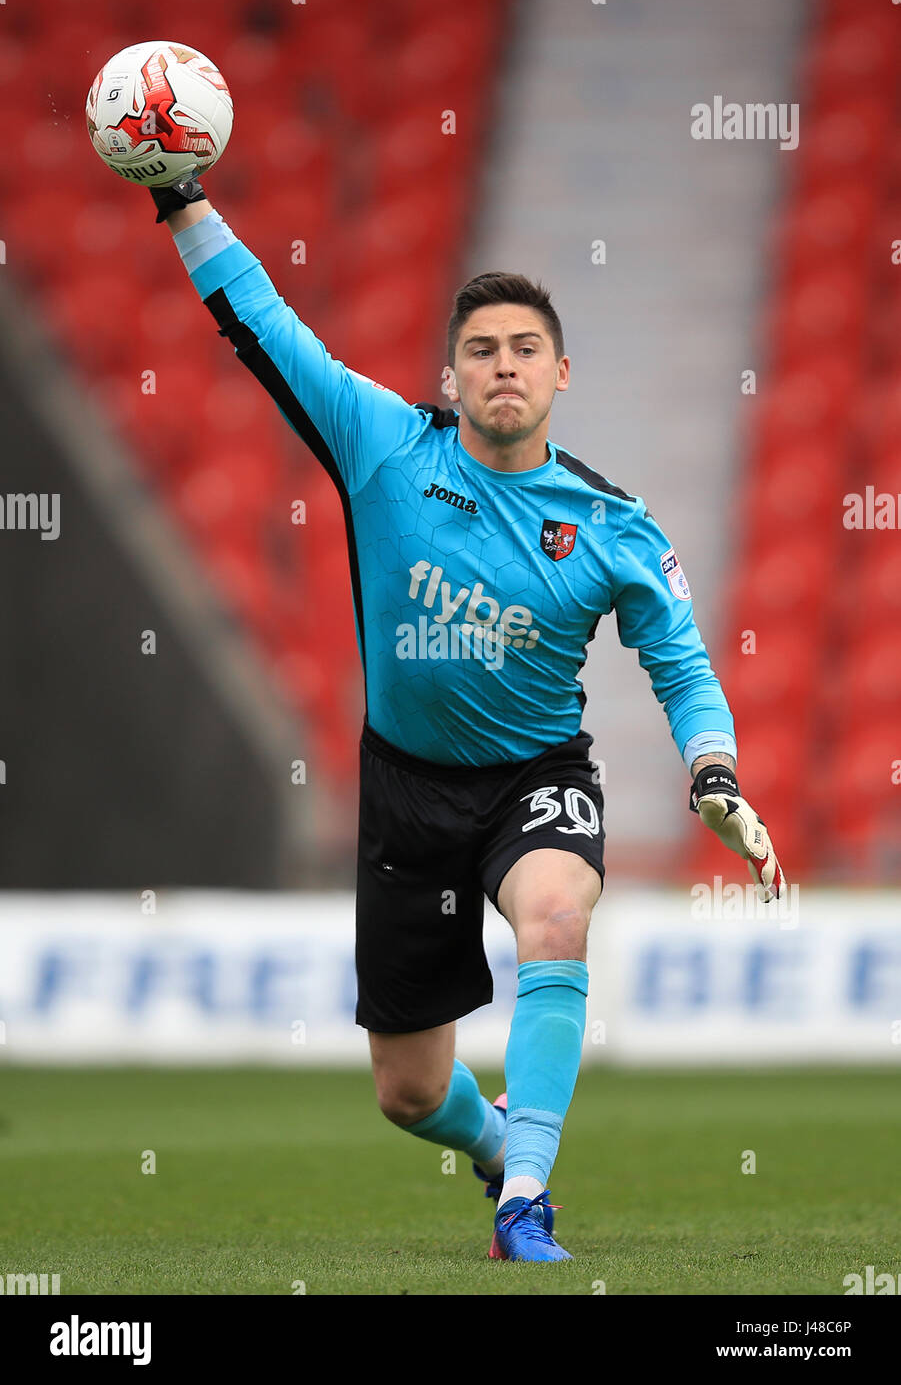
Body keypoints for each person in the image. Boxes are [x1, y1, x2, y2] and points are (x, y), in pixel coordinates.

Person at [148, 174, 785, 1262]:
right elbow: (263, 323)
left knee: (555, 919)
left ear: (560, 373)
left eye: (524, 348)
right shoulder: (382, 446)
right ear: (451, 375)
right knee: (407, 1092)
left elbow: (680, 666)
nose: (503, 365)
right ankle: (495, 1144)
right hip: (405, 788)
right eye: (482, 348)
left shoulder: (613, 523)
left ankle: (524, 1198)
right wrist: (180, 198)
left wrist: (714, 772)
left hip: (536, 779)